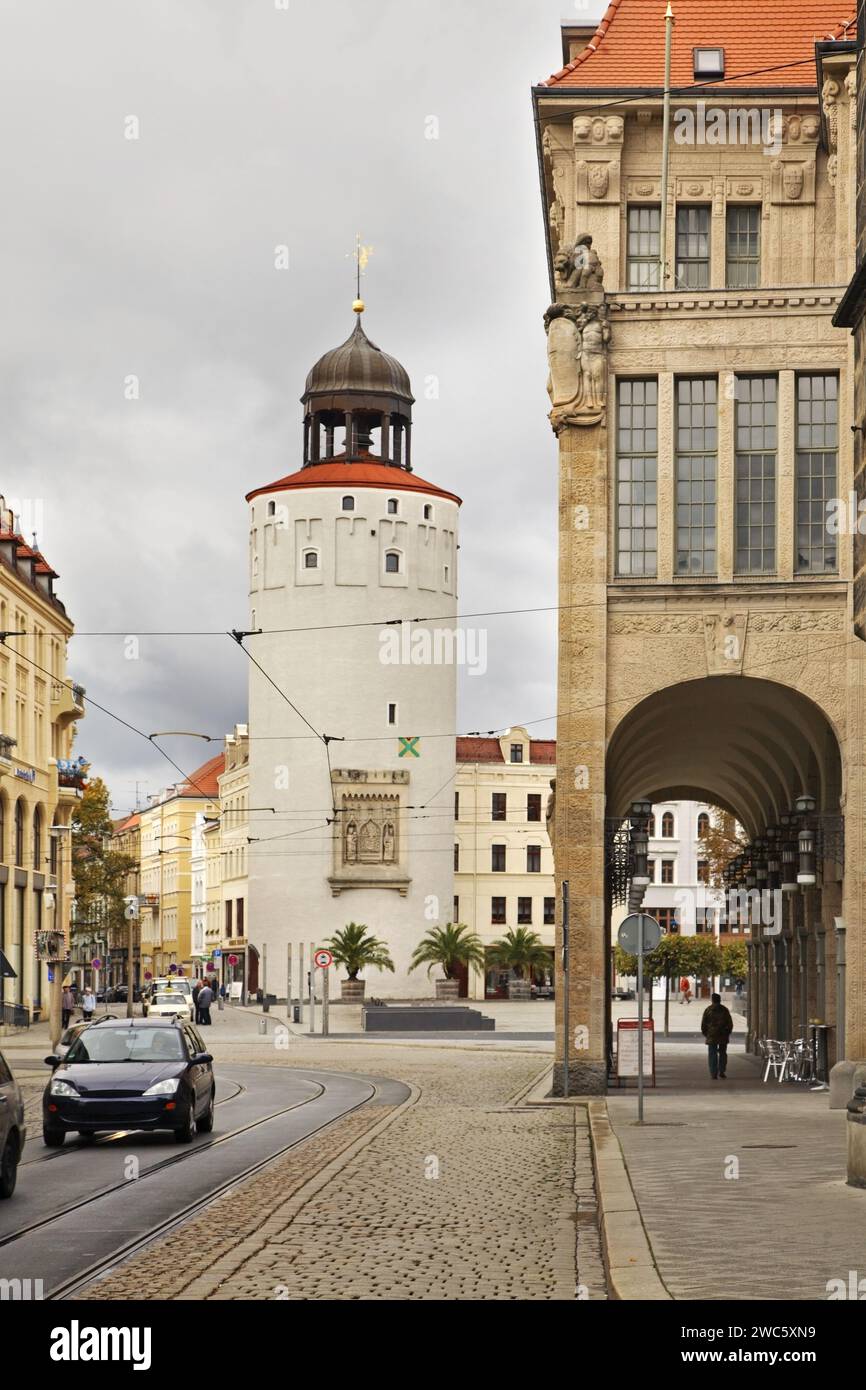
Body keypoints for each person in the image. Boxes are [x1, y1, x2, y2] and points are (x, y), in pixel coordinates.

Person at [701, 992, 734, 1080]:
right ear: (720, 1000)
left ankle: (713, 1073)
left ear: (712, 1000)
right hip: (723, 1035)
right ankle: (722, 1071)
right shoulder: (724, 1010)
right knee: (723, 1053)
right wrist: (727, 1032)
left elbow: (703, 1024)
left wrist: (706, 1034)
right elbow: (730, 1023)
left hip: (711, 1036)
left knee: (712, 1054)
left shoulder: (708, 1010)